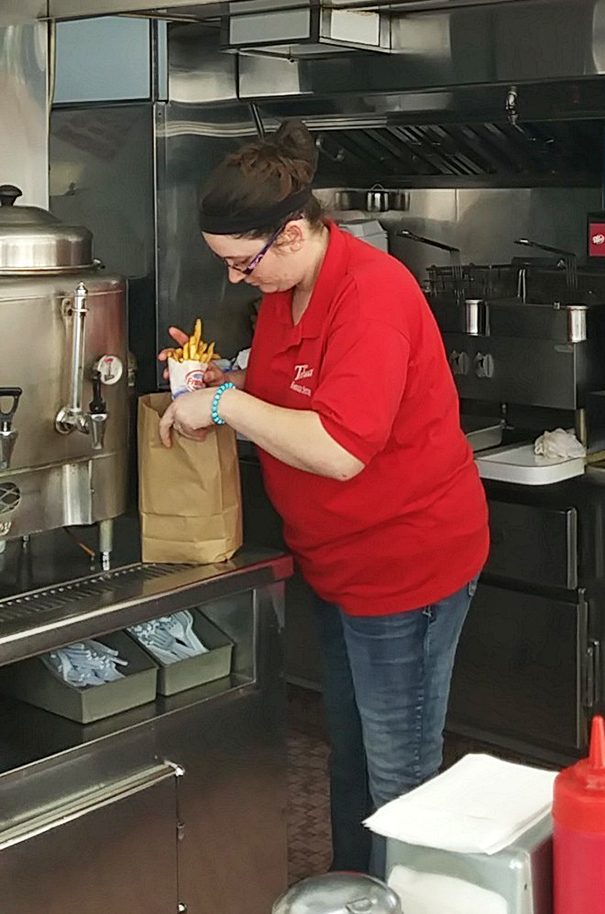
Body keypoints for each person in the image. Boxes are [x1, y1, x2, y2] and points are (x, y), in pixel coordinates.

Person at [158, 119, 489, 877]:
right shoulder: (287, 290)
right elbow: (288, 391)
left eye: (244, 264)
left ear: (295, 231)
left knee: (399, 776)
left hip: (405, 568)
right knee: (353, 759)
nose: (238, 280)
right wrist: (226, 382)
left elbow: (340, 449)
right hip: (338, 566)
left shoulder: (371, 293)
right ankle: (354, 893)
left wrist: (222, 410)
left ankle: (410, 895)